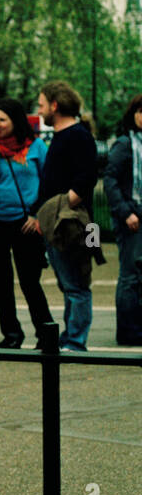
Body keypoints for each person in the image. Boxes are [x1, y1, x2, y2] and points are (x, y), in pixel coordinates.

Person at [0, 98, 52, 349]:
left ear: (16, 121)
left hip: (26, 222)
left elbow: (48, 183)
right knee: (2, 281)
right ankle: (11, 334)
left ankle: (45, 333)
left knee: (29, 281)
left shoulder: (36, 147)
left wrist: (36, 215)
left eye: (2, 120)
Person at [33, 80, 99, 352]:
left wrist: (55, 210)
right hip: (63, 222)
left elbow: (86, 179)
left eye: (41, 104)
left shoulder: (77, 136)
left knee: (76, 283)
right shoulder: (66, 135)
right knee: (69, 283)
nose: (39, 110)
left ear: (55, 105)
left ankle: (75, 340)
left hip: (71, 224)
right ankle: (71, 336)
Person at [103, 92, 142, 345]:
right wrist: (125, 211)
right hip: (131, 216)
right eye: (140, 112)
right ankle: (127, 332)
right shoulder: (125, 144)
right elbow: (110, 179)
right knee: (130, 275)